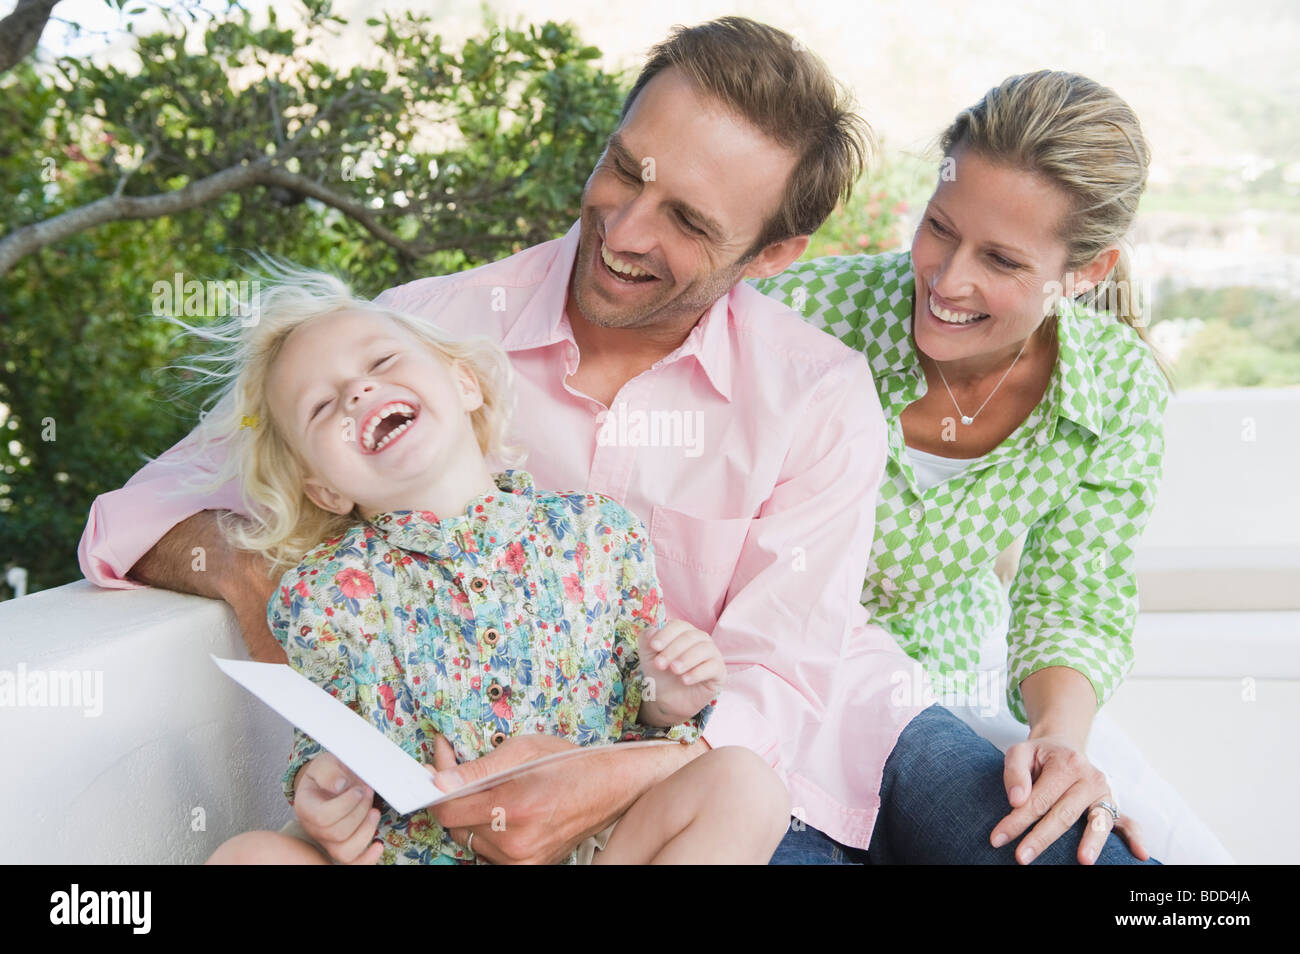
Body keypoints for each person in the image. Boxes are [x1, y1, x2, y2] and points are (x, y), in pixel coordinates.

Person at [79, 18, 1154, 864]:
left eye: (689, 223)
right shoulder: (426, 338)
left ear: (774, 254)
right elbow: (145, 507)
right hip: (647, 804)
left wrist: (611, 769)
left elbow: (783, 678)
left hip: (787, 740)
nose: (628, 231)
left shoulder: (818, 393)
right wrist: (266, 588)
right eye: (625, 169)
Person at [752, 70, 1229, 864]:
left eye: (1002, 261)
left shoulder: (1113, 390)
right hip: (773, 681)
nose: (948, 279)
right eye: (940, 228)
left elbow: (1074, 595)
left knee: (1140, 859)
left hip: (951, 686)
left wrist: (1058, 742)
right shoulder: (802, 319)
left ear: (1085, 273)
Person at [190, 266, 791, 864]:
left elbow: (645, 705)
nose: (357, 392)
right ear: (322, 489)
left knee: (746, 784)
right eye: (321, 406)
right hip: (422, 855)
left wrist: (676, 688)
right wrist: (323, 795)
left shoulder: (597, 533)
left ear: (465, 383)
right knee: (250, 857)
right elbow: (326, 741)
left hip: (602, 846)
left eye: (381, 363)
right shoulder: (324, 594)